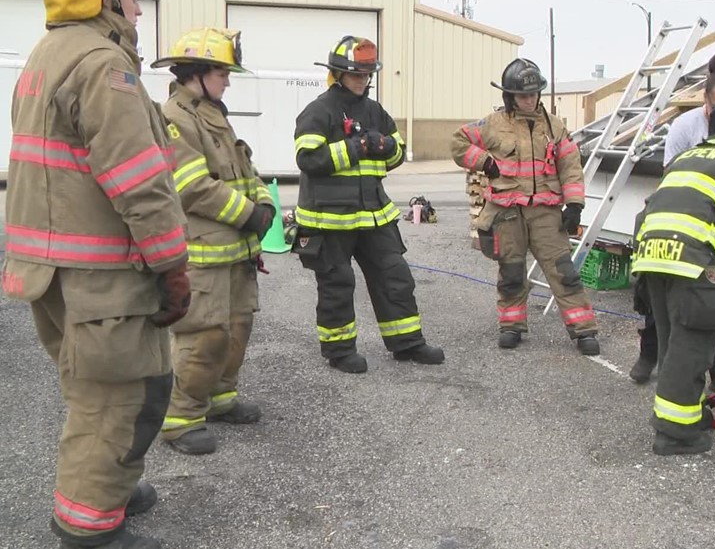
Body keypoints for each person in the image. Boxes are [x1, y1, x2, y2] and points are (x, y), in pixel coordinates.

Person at [2, 0, 189, 548]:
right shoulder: (104, 65)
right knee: (115, 400)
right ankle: (88, 528)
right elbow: (138, 182)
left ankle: (111, 487)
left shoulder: (45, 55)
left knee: (98, 391)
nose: (139, 9)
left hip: (51, 272)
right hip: (101, 279)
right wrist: (173, 264)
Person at [151, 28, 273, 455]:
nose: (228, 82)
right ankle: (181, 418)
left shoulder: (212, 113)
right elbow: (191, 186)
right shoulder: (174, 118)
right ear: (197, 73)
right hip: (204, 252)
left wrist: (264, 201)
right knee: (203, 335)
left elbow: (245, 169)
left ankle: (221, 398)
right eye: (223, 73)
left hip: (235, 251)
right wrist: (249, 214)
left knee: (237, 328)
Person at [293, 35, 445, 373]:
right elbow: (308, 158)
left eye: (366, 74)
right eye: (356, 74)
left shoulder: (375, 111)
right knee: (337, 285)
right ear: (338, 73)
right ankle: (340, 351)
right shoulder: (319, 111)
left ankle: (407, 343)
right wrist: (356, 148)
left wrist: (385, 146)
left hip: (373, 215)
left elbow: (397, 154)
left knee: (395, 277)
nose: (362, 80)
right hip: (330, 220)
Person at [631, 105, 715, 455]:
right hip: (693, 260)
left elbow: (646, 211)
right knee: (692, 345)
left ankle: (685, 415)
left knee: (672, 343)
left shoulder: (687, 157)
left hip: (652, 254)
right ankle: (675, 433)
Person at [450, 58, 601, 355]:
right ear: (510, 96)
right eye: (522, 95)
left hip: (546, 213)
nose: (529, 100)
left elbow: (571, 167)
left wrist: (574, 205)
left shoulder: (555, 127)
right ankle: (511, 326)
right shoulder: (493, 124)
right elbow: (458, 143)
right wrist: (485, 162)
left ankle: (584, 330)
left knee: (564, 272)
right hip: (507, 213)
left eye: (532, 94)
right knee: (511, 272)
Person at [629, 52, 715, 384]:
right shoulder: (686, 126)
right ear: (706, 103)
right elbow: (671, 179)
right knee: (659, 290)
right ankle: (650, 352)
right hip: (684, 216)